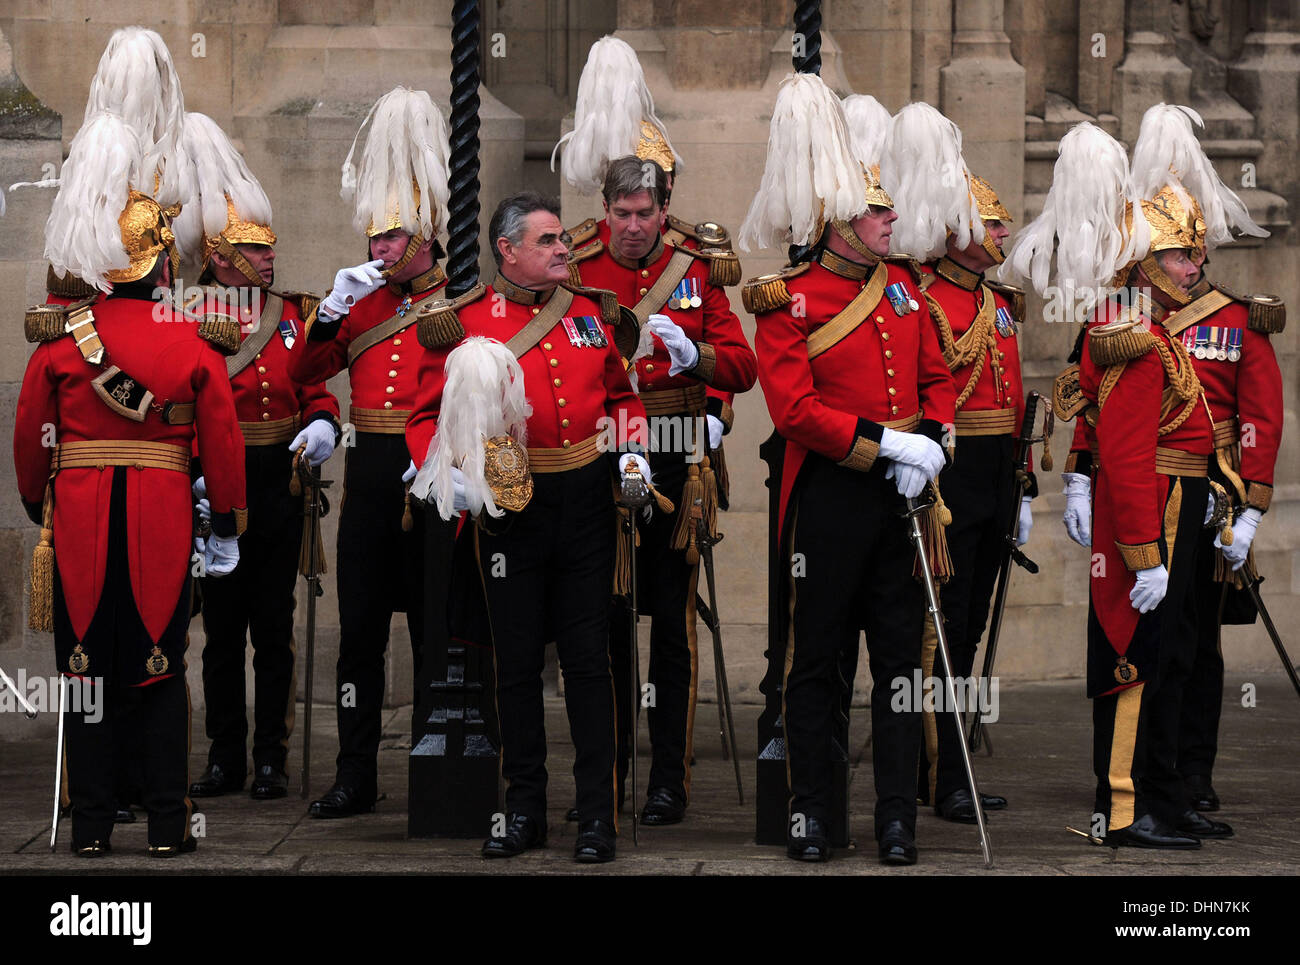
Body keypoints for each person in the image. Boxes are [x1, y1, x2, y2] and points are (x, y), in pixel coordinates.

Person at [15, 112, 246, 856]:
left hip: (80, 515)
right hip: (162, 515)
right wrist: (229, 519)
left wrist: (36, 500)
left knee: (83, 667)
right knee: (160, 663)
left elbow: (29, 440)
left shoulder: (62, 337)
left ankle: (88, 827)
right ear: (159, 266)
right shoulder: (194, 339)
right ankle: (168, 825)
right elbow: (222, 441)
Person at [739, 74, 956, 864]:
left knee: (901, 664)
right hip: (830, 496)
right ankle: (813, 815)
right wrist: (887, 444)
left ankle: (897, 817)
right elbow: (794, 411)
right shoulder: (787, 297)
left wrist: (931, 437)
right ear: (839, 222)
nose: (892, 219)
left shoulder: (903, 288)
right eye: (878, 211)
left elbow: (938, 376)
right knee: (816, 662)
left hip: (899, 500)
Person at [407, 192, 649, 863]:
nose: (563, 250)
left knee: (588, 663)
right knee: (514, 666)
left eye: (562, 241)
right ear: (507, 249)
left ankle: (597, 814)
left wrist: (632, 464)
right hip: (511, 505)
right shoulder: (460, 321)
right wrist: (447, 469)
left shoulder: (588, 313)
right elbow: (423, 414)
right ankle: (523, 808)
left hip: (586, 501)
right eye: (547, 241)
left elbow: (623, 398)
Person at [1002, 121, 1222, 848]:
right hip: (1149, 510)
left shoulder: (1151, 327)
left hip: (1176, 502)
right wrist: (1142, 553)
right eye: (1177, 256)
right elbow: (1125, 455)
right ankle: (1125, 807)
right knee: (1136, 658)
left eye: (1190, 256)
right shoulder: (1132, 335)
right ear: (1147, 264)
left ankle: (1161, 793)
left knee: (1167, 657)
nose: (1192, 266)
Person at [564, 155, 757, 824]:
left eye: (647, 214)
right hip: (604, 450)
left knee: (672, 623)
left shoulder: (695, 266)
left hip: (676, 456)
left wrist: (693, 360)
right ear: (606, 209)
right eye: (623, 214)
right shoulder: (579, 264)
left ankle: (668, 779)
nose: (635, 227)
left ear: (662, 208)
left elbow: (741, 365)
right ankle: (609, 771)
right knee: (605, 620)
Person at [287, 87, 454, 818]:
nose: (379, 250)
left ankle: (432, 760)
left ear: (423, 235)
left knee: (432, 630)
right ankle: (355, 768)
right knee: (358, 635)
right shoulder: (356, 301)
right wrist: (328, 311)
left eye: (391, 239)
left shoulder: (456, 298)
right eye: (375, 238)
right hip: (370, 475)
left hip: (429, 473)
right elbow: (304, 373)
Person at [176, 112, 340, 801]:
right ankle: (223, 756)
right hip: (219, 486)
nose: (269, 259)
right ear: (219, 256)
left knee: (275, 630)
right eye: (253, 248)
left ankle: (270, 755)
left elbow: (314, 389)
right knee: (220, 636)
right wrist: (194, 478)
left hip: (280, 483)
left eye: (270, 247)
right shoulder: (185, 315)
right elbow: (178, 407)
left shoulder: (293, 314)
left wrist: (324, 426)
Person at [877, 100, 1032, 822]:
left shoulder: (995, 301)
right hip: (949, 474)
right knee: (936, 632)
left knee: (968, 628)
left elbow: (1011, 394)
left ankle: (954, 759)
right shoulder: (925, 297)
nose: (1003, 236)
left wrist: (1023, 485)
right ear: (959, 232)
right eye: (992, 224)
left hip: (996, 471)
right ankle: (936, 774)